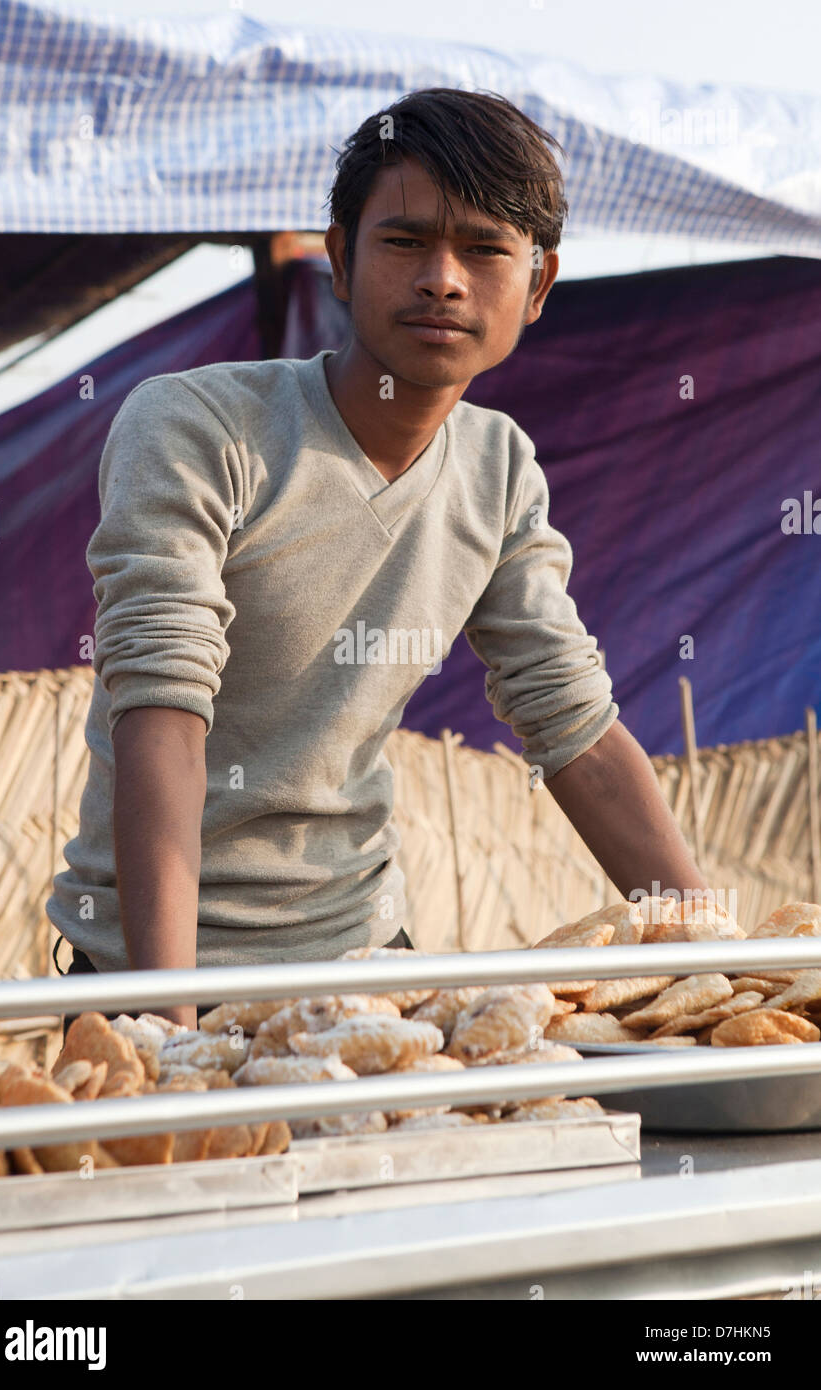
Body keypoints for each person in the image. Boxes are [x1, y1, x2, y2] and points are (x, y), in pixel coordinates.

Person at [47, 87, 709, 1031]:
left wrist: (726, 967)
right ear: (341, 262)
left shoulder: (499, 467)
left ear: (539, 284)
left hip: (366, 972)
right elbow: (162, 700)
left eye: (485, 249)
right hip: (148, 970)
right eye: (404, 242)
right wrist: (168, 1026)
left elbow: (574, 725)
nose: (443, 279)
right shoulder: (195, 424)